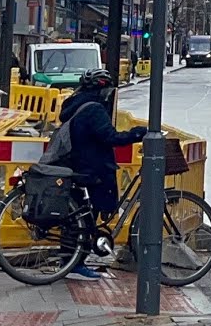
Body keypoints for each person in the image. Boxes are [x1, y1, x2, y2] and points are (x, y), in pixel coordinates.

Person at [57, 68, 148, 279]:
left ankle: (69, 261)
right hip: (92, 168)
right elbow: (110, 137)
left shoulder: (75, 104)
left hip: (76, 165)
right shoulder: (94, 109)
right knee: (88, 217)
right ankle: (75, 265)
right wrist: (138, 134)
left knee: (77, 217)